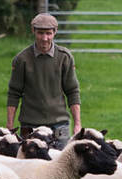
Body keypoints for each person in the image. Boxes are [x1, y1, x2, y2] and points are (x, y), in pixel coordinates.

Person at [7, 12, 80, 143]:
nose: (44, 38)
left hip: (59, 124)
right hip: (30, 125)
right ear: (33, 31)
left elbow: (72, 91)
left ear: (55, 32)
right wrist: (10, 125)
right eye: (40, 33)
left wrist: (77, 124)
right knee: (30, 163)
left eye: (48, 33)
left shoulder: (65, 57)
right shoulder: (21, 59)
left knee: (61, 161)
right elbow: (13, 93)